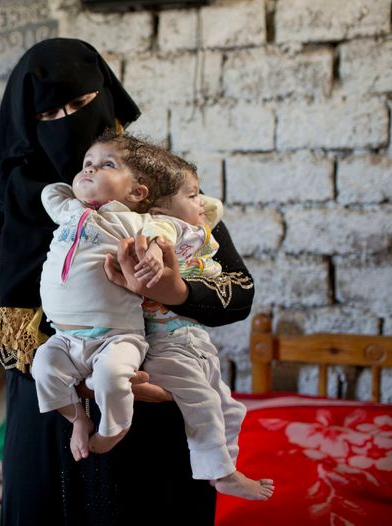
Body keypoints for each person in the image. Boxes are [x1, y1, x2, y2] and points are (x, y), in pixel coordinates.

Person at [0, 38, 255, 525]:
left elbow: (239, 290)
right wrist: (77, 379)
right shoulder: (11, 200)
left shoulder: (158, 181)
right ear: (27, 124)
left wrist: (173, 291)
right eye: (48, 114)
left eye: (80, 103)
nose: (68, 122)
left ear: (107, 98)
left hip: (157, 397)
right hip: (52, 413)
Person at [120, 145, 274, 501]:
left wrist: (196, 204)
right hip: (166, 344)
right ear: (159, 207)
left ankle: (225, 468)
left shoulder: (195, 227)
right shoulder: (163, 225)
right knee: (204, 405)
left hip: (194, 340)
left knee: (231, 408)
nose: (201, 201)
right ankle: (220, 472)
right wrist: (154, 257)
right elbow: (156, 237)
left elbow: (239, 290)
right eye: (193, 196)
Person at [32, 131, 182, 461]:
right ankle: (78, 418)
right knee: (42, 367)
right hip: (64, 337)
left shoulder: (134, 221)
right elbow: (50, 191)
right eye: (87, 163)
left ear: (136, 192)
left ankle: (115, 427)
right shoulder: (69, 211)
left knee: (111, 378)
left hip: (116, 337)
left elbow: (169, 232)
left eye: (107, 165)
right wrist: (83, 190)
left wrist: (155, 251)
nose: (90, 169)